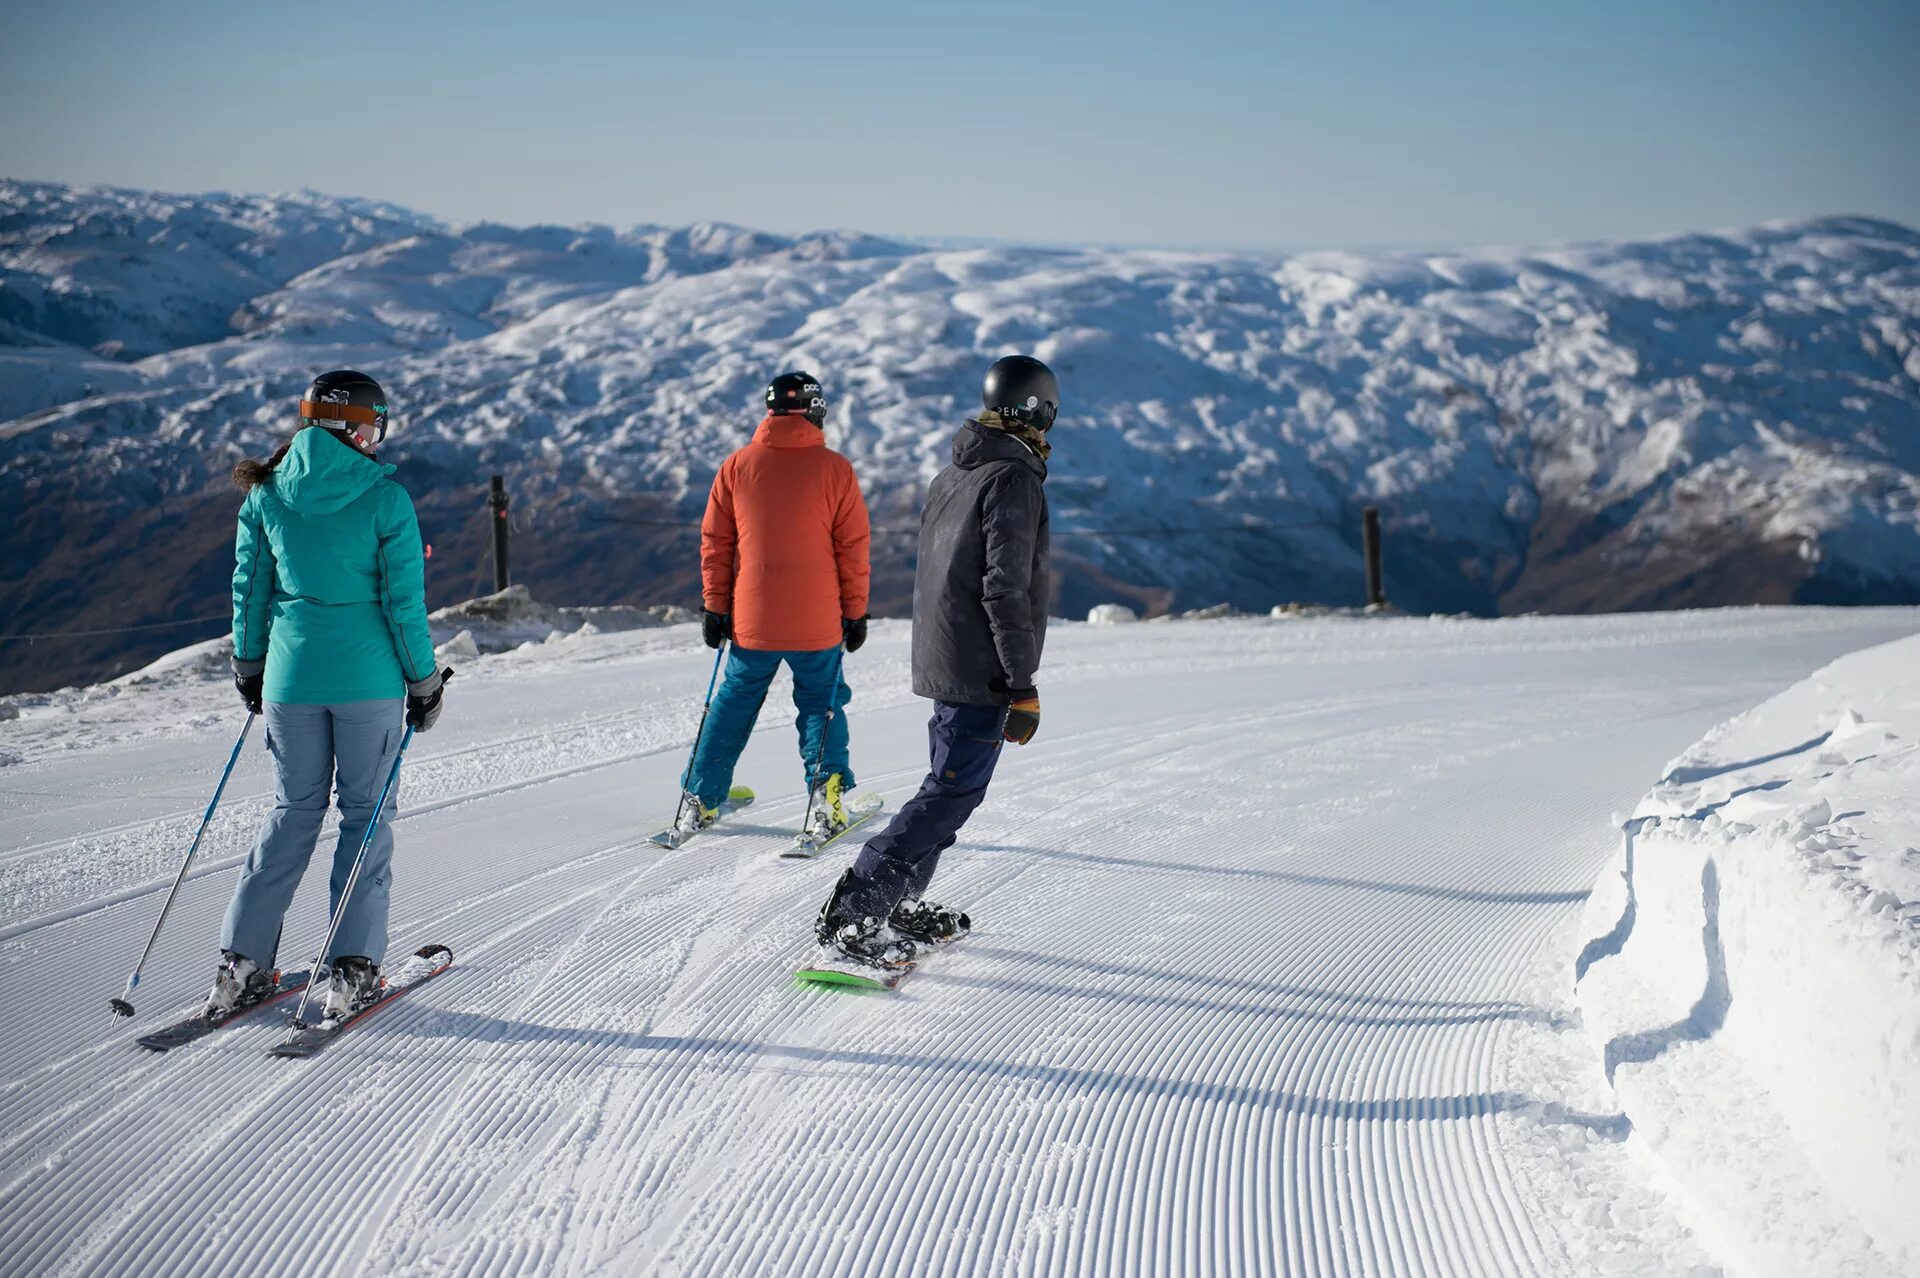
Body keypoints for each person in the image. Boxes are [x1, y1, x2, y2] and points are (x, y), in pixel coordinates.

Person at [209, 370, 447, 1021]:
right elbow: (404, 607)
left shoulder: (264, 495)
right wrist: (423, 683)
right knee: (365, 820)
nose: (374, 439)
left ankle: (241, 964)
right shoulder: (384, 499)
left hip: (290, 682)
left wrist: (250, 665)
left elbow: (249, 590)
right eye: (371, 427)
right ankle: (352, 969)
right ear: (347, 428)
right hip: (368, 686)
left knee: (293, 812)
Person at [813, 354, 1056, 967]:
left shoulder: (955, 475)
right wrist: (1021, 681)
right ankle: (855, 911)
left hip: (950, 654)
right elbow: (1005, 588)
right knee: (948, 794)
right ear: (1040, 409)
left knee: (950, 791)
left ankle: (891, 902)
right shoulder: (1012, 479)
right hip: (981, 664)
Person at [681, 370, 872, 840]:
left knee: (732, 703)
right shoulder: (836, 470)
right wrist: (855, 612)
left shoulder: (736, 466)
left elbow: (716, 543)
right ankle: (826, 800)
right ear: (815, 410)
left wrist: (715, 606)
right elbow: (853, 549)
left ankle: (700, 798)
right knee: (820, 705)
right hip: (817, 621)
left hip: (753, 620)